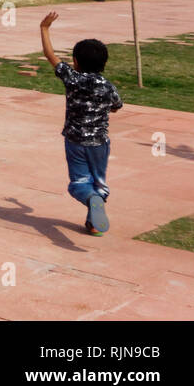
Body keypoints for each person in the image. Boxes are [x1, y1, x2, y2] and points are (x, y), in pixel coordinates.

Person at [40, 12, 123, 235]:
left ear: (75, 62)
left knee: (79, 183)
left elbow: (49, 55)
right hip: (99, 144)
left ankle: (92, 205)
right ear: (104, 63)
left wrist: (45, 28)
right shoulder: (108, 87)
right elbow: (116, 106)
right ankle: (94, 223)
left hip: (75, 142)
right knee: (98, 182)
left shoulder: (72, 78)